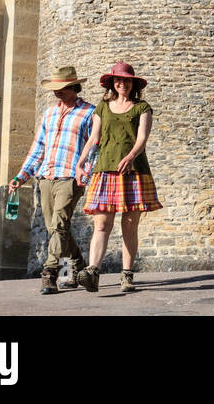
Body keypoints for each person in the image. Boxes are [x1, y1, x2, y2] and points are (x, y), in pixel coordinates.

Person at [75, 61, 162, 293]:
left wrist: (131, 156)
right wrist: (81, 162)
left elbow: (142, 139)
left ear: (133, 83)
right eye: (118, 80)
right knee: (102, 223)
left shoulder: (142, 107)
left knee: (130, 225)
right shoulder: (103, 107)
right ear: (112, 83)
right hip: (104, 169)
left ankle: (127, 274)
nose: (122, 83)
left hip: (133, 171)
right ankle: (93, 271)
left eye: (126, 80)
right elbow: (94, 138)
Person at [9, 66, 96, 295]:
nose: (57, 93)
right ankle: (78, 264)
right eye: (54, 89)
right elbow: (38, 148)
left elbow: (95, 147)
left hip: (70, 177)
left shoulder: (89, 112)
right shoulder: (49, 114)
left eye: (61, 88)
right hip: (46, 177)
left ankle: (49, 274)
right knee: (55, 229)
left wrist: (85, 172)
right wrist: (21, 175)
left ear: (73, 87)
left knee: (58, 225)